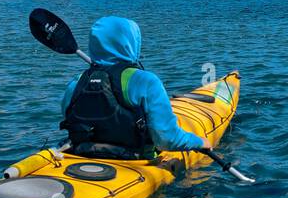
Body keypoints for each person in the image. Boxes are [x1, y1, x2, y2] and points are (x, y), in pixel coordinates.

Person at [61, 15, 212, 158]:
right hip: (135, 161)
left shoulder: (76, 83)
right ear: (132, 42)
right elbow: (166, 139)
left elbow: (70, 120)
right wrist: (199, 142)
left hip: (80, 156)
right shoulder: (146, 81)